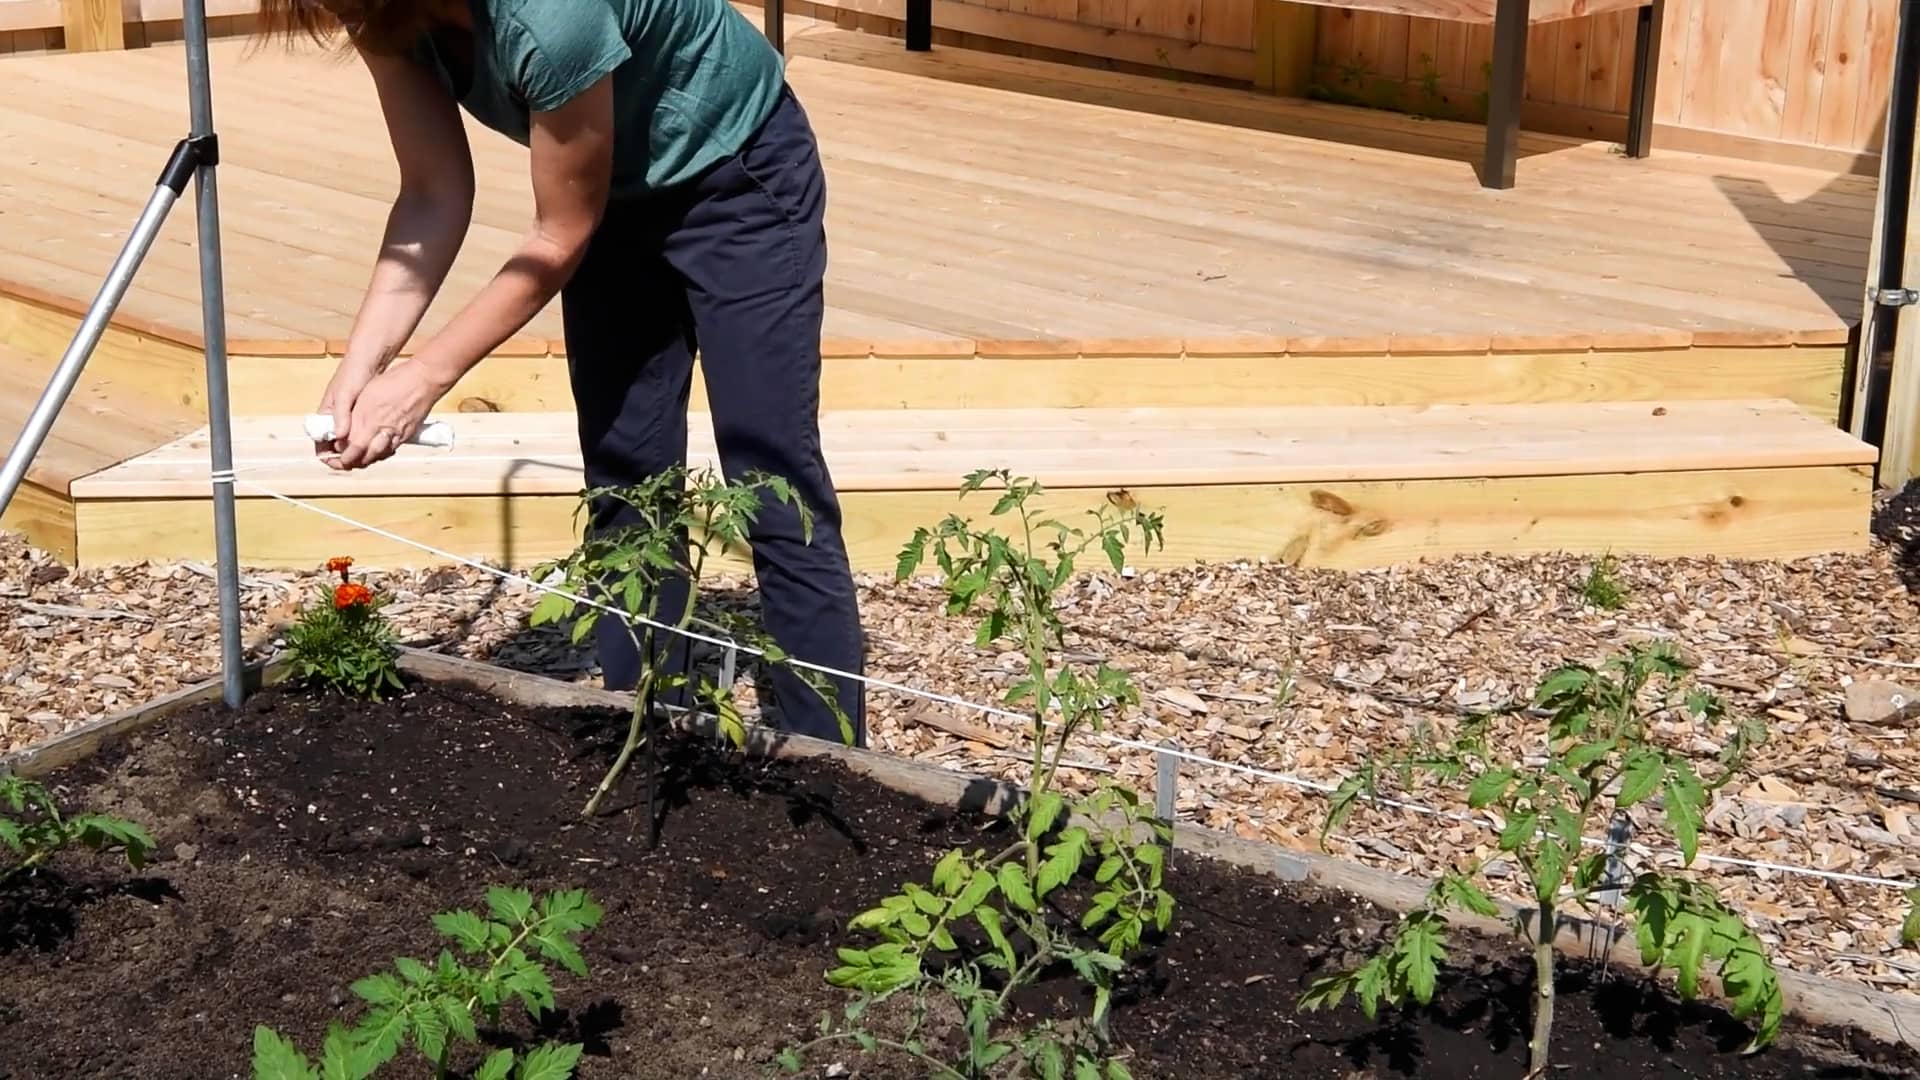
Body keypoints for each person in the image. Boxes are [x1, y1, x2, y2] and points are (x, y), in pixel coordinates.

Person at [259, 0, 866, 746]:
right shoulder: (380, 13)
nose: (332, 10)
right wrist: (359, 369)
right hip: (606, 194)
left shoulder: (551, 16)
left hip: (736, 175)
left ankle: (833, 764)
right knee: (624, 474)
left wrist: (419, 382)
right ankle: (648, 734)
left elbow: (556, 235)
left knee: (771, 478)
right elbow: (431, 192)